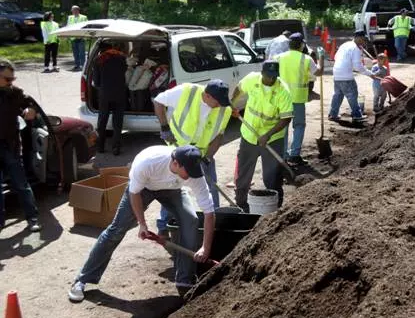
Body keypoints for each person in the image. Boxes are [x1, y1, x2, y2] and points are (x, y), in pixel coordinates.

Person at [68, 145, 216, 302]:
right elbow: (134, 193)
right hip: (142, 188)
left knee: (190, 220)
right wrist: (142, 224)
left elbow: (209, 213)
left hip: (173, 190)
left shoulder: (193, 174)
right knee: (116, 230)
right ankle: (82, 280)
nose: (192, 176)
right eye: (189, 171)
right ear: (175, 163)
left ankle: (185, 280)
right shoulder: (149, 163)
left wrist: (205, 248)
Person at [153, 79, 232, 238]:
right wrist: (164, 127)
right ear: (207, 96)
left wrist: (208, 157)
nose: (220, 106)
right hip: (178, 149)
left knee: (210, 187)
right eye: (217, 102)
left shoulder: (225, 109)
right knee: (172, 186)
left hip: (202, 153)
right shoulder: (187, 92)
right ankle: (163, 226)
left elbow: (219, 136)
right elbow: (158, 101)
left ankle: (212, 226)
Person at [231, 61, 293, 212]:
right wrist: (233, 104)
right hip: (249, 136)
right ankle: (241, 203)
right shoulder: (252, 79)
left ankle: (275, 207)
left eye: (274, 77)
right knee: (244, 173)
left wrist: (268, 135)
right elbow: (239, 88)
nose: (271, 80)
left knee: (271, 176)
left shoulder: (283, 91)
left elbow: (286, 118)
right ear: (262, 73)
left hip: (273, 139)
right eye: (268, 76)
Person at [0, 58, 41, 232]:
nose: (11, 82)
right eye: (7, 79)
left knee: (21, 184)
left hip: (10, 146)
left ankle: (32, 218)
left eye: (12, 79)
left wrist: (31, 111)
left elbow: (31, 106)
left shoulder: (15, 93)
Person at [276, 33, 323, 166]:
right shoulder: (306, 59)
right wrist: (322, 59)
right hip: (298, 98)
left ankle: (283, 155)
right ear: (302, 45)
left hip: (282, 99)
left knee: (283, 127)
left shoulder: (279, 57)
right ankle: (294, 155)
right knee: (299, 126)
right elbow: (318, 73)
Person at [328, 30, 376, 123]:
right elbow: (358, 66)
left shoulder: (345, 44)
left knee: (338, 95)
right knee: (352, 95)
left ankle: (333, 114)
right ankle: (357, 115)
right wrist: (370, 74)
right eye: (363, 39)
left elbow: (335, 57)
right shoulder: (356, 49)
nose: (363, 41)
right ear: (358, 38)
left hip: (337, 73)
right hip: (346, 75)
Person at [93, 44, 127, 155]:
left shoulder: (99, 60)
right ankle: (116, 147)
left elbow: (96, 82)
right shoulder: (122, 58)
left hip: (105, 95)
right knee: (117, 122)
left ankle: (100, 147)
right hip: (120, 94)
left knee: (102, 121)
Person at [67, 5, 88, 71]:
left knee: (82, 52)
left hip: (81, 37)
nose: (72, 11)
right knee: (75, 52)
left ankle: (83, 65)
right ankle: (76, 64)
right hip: (73, 37)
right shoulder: (70, 17)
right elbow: (68, 26)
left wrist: (83, 35)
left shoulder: (84, 17)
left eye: (73, 10)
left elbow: (86, 26)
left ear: (77, 10)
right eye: (72, 10)